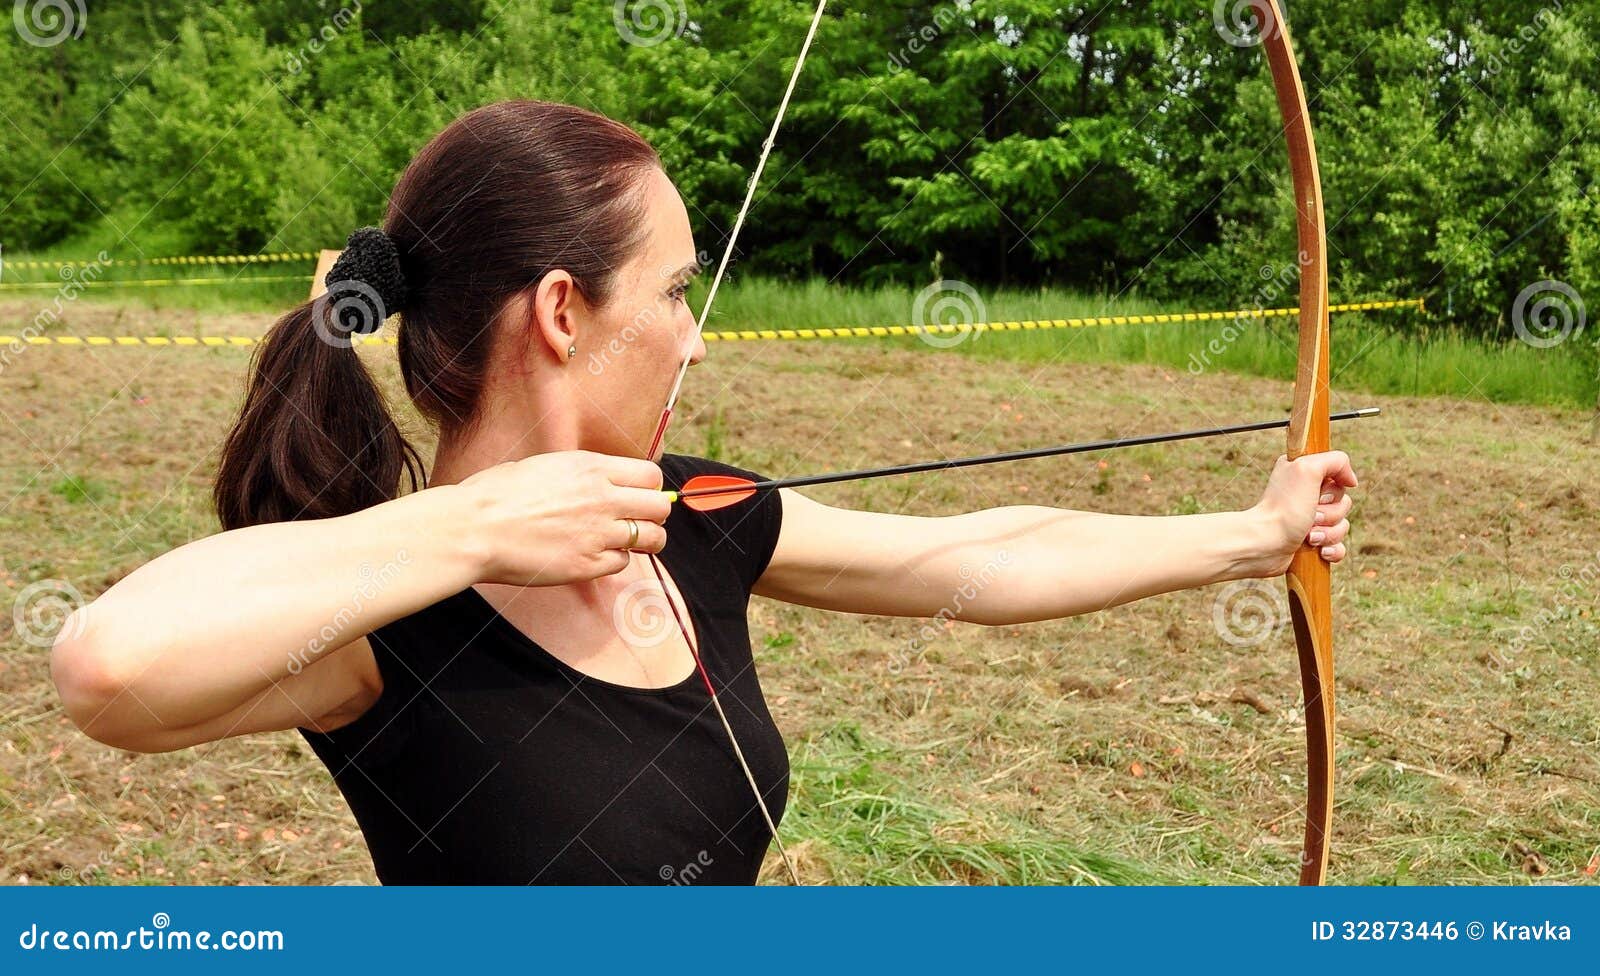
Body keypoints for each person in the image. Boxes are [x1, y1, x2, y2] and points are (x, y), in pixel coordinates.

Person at [50, 100, 1357, 885]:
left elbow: (981, 553)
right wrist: (483, 524)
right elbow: (106, 668)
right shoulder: (383, 618)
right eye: (674, 291)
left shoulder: (689, 513)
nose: (696, 332)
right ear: (563, 311)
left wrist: (1252, 537)